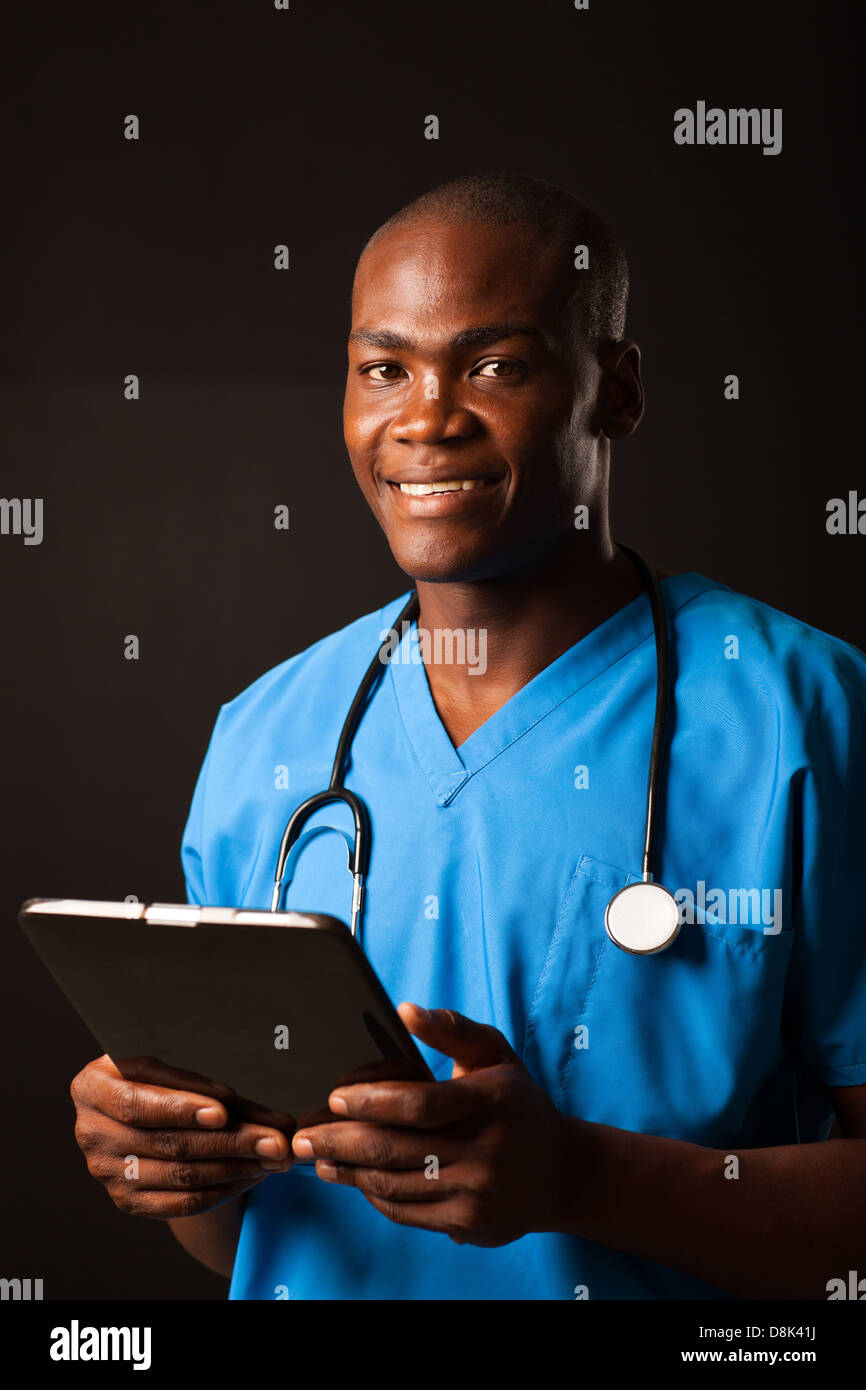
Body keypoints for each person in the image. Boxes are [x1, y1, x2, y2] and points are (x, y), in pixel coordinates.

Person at [70, 173, 866, 1300]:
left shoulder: (806, 715)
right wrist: (180, 1169)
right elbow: (256, 1240)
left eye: (497, 365)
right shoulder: (265, 739)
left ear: (616, 392)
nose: (426, 416)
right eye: (382, 368)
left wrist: (581, 1180)